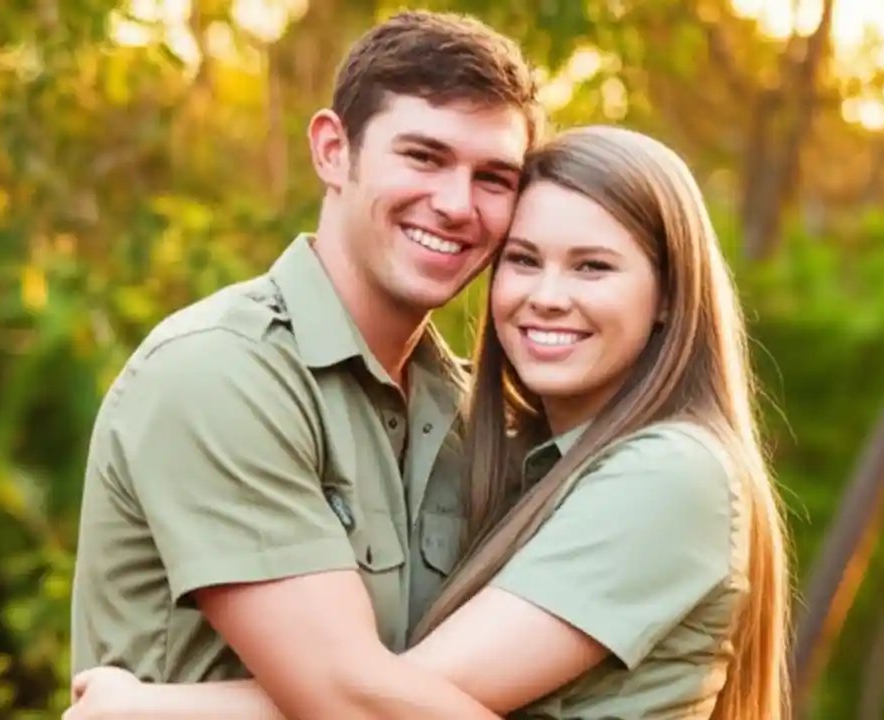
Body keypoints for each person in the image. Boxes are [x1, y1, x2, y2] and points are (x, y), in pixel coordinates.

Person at [68, 125, 792, 720]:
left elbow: (381, 701)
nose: (547, 296)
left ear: (669, 295)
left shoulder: (668, 473)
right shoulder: (517, 453)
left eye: (592, 267)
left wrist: (148, 710)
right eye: (523, 260)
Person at [68, 9, 541, 720]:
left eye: (494, 178)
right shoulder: (218, 374)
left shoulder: (481, 417)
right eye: (423, 156)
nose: (455, 204)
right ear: (331, 149)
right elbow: (348, 704)